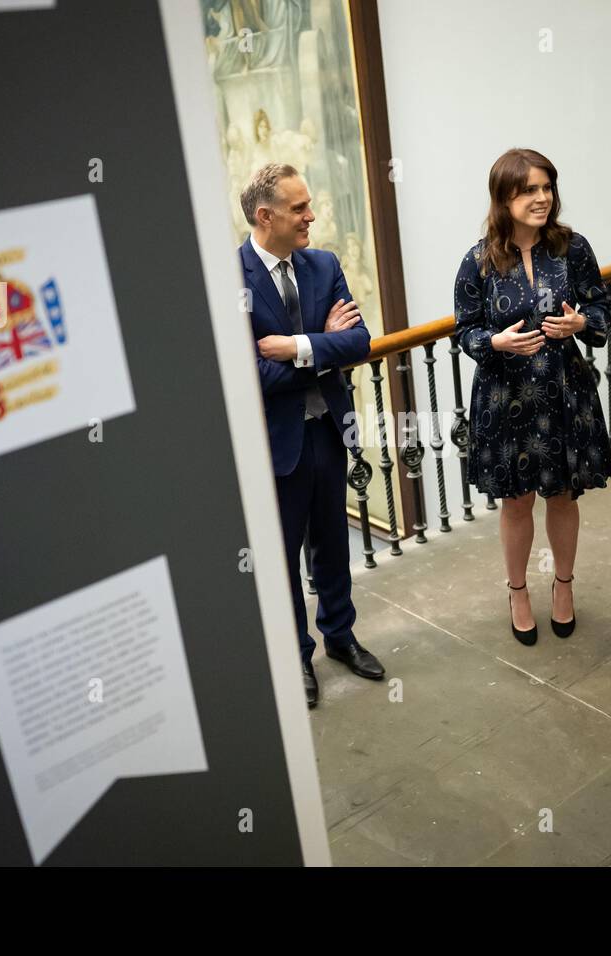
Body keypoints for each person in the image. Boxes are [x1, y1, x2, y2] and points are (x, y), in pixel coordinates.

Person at [453, 148, 611, 646]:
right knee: (517, 501)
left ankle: (563, 586)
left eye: (547, 188)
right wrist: (494, 342)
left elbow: (599, 308)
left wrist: (581, 323)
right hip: (506, 398)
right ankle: (518, 591)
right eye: (529, 190)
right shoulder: (477, 260)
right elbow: (465, 330)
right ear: (503, 198)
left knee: (563, 495)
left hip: (566, 392)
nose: (542, 198)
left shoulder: (575, 248)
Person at [239, 162, 385, 708]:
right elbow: (250, 374)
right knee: (280, 556)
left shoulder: (323, 265)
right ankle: (295, 655)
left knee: (331, 542)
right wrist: (322, 346)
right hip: (274, 447)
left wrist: (297, 347)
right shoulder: (232, 281)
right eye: (299, 208)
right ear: (265, 215)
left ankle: (340, 637)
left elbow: (360, 343)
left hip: (327, 430)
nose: (311, 216)